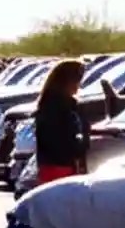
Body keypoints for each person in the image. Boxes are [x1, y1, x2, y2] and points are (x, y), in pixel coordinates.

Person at [33, 59, 87, 187]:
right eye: (78, 81)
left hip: (57, 166)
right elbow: (59, 139)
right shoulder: (56, 106)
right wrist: (79, 146)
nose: (79, 85)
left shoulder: (59, 104)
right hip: (58, 167)